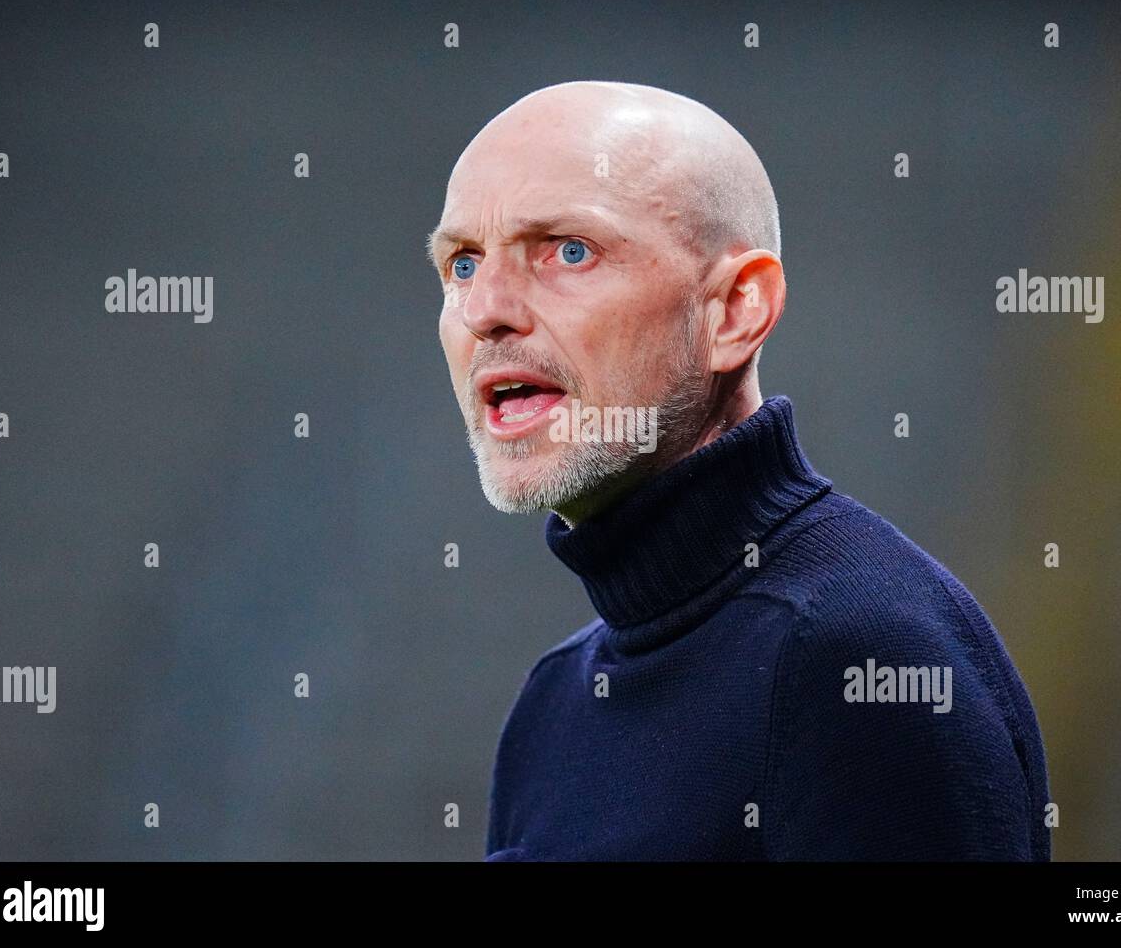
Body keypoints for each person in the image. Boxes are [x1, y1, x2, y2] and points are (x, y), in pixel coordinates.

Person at [430, 80, 1051, 860]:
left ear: (734, 311)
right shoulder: (554, 701)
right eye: (461, 263)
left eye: (569, 250)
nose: (486, 309)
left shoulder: (860, 658)